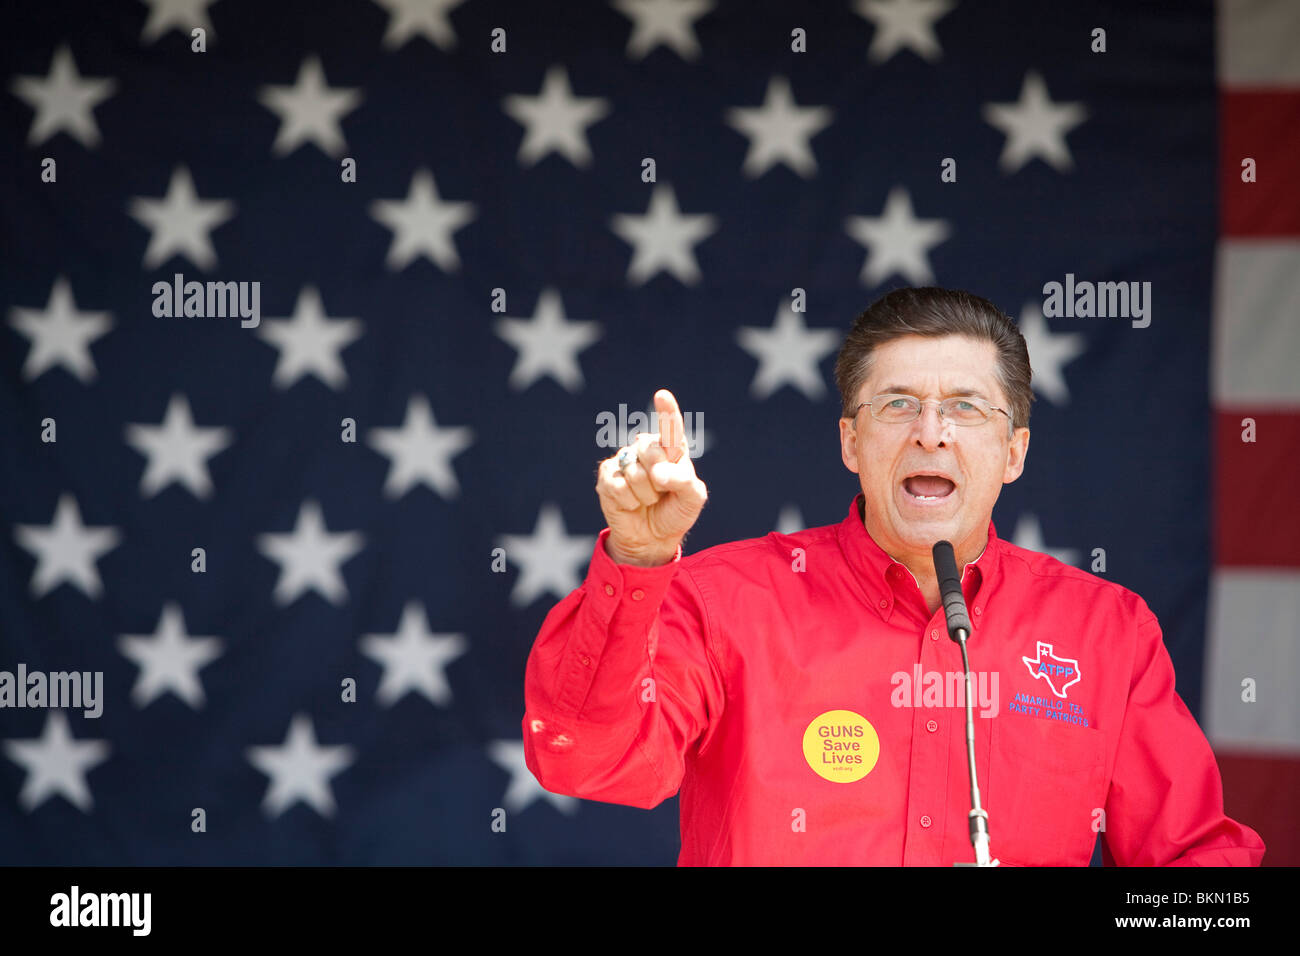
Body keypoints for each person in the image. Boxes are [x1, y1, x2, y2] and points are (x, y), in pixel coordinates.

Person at [520, 286, 1266, 866]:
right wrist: (640, 557)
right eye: (899, 404)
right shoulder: (725, 602)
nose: (930, 430)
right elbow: (589, 764)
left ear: (1015, 453)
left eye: (966, 408)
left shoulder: (1107, 632)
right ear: (852, 441)